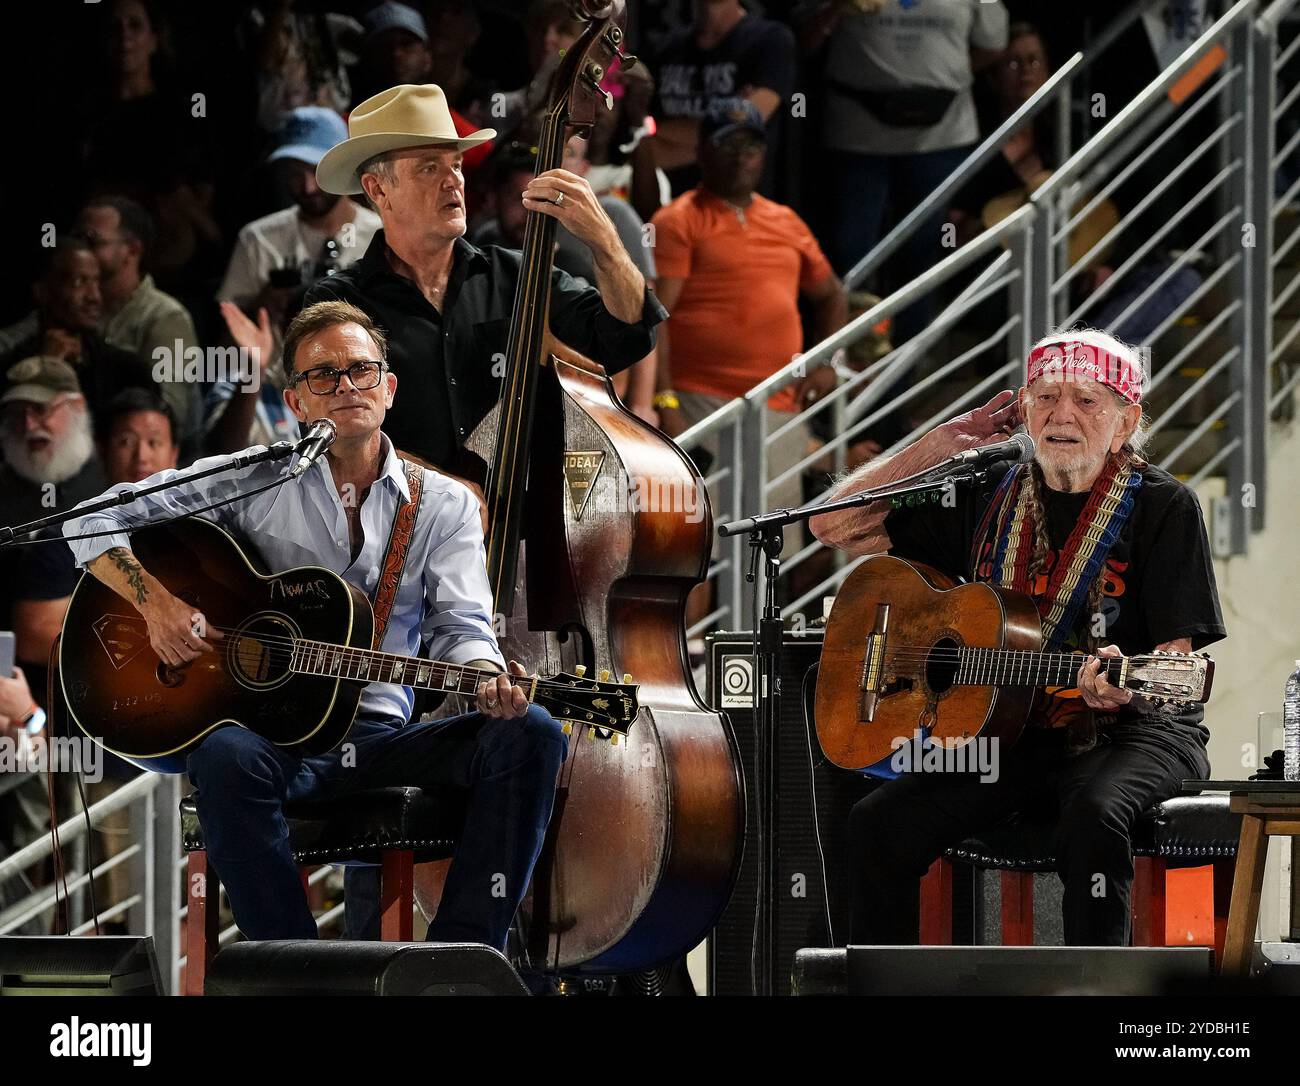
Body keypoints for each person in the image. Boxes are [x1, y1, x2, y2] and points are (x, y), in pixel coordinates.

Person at [62, 300, 568, 948]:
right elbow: (88, 519)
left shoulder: (441, 503)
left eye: (361, 371)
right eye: (323, 376)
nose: (346, 386)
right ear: (295, 402)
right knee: (223, 754)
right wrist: (155, 602)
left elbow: (462, 625)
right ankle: (290, 969)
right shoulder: (252, 477)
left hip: (385, 741)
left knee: (531, 732)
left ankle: (462, 963)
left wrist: (486, 674)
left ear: (387, 388)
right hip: (276, 742)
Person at [810, 328, 1226, 946]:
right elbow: (833, 523)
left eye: (1087, 400)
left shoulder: (1164, 506)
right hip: (1011, 732)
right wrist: (941, 443)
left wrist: (1122, 684)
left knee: (1092, 816)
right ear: (1023, 410)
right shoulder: (986, 489)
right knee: (877, 820)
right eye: (1046, 397)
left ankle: (1095, 995)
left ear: (1124, 420)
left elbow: (1174, 666)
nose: (1062, 415)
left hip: (1138, 730)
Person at [303, 82, 664, 477]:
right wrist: (446, 495)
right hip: (402, 532)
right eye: (428, 167)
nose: (453, 180)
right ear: (378, 188)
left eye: (455, 164)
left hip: (525, 530)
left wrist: (605, 242)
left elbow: (629, 332)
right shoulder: (340, 305)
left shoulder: (518, 275)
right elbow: (337, 432)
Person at [651, 98, 846, 494]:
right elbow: (655, 317)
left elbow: (832, 295)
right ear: (702, 152)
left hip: (778, 402)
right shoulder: (677, 220)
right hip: (701, 402)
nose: (741, 158)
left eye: (751, 146)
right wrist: (665, 403)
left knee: (776, 540)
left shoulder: (786, 220)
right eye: (728, 145)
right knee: (715, 541)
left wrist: (826, 361)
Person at [817, 0, 1009, 339]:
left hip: (940, 136)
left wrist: (940, 82)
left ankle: (905, 369)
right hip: (858, 137)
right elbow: (804, 39)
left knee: (921, 256)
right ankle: (849, 365)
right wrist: (834, 10)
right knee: (850, 258)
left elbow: (993, 45)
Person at [212, 107, 381, 452]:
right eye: (293, 173)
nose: (305, 187)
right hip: (275, 396)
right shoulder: (259, 239)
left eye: (315, 172)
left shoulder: (381, 235)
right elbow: (224, 344)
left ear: (342, 168)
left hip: (360, 388)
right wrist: (264, 302)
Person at [473, 133, 658, 422]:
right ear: (494, 200)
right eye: (515, 198)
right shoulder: (483, 249)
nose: (527, 211)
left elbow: (635, 319)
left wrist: (640, 404)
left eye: (535, 198)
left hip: (594, 404)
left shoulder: (577, 258)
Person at [73, 196, 203, 453]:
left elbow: (168, 416)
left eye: (90, 240)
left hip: (137, 463)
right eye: (75, 238)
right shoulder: (71, 304)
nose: (78, 249)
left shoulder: (164, 317)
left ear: (132, 250)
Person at [0, 239, 156, 433]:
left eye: (96, 282)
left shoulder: (128, 372)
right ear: (42, 291)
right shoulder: (9, 369)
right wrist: (45, 367)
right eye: (79, 282)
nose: (94, 296)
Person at [647, 0, 796, 199]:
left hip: (741, 210)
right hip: (668, 207)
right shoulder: (664, 48)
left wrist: (659, 131)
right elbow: (643, 149)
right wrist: (722, 132)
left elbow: (740, 128)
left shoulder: (770, 40)